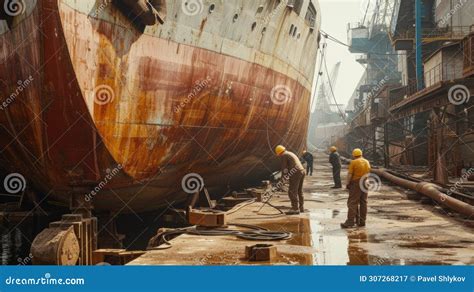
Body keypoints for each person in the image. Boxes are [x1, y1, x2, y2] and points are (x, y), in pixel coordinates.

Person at [341, 148, 371, 229]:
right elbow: (368, 173)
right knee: (363, 202)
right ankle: (362, 221)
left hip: (356, 183)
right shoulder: (366, 161)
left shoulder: (353, 162)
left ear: (354, 155)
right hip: (365, 182)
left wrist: (347, 183)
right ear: (361, 154)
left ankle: (350, 222)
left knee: (352, 202)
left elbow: (350, 174)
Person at [275, 145, 306, 215]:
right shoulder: (290, 153)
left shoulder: (284, 155)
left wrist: (282, 180)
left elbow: (284, 169)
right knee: (299, 191)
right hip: (302, 171)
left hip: (296, 173)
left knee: (292, 191)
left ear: (279, 152)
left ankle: (295, 209)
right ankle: (301, 208)